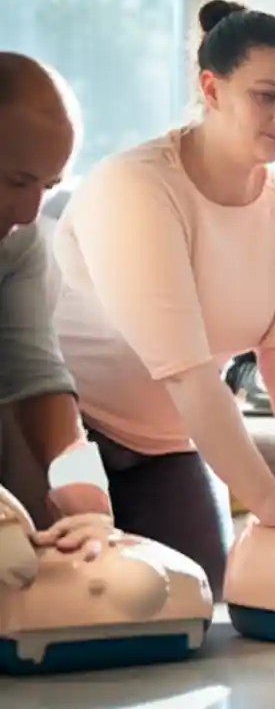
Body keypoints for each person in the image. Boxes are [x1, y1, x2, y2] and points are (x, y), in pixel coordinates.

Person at [48, 0, 275, 593]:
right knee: (86, 593)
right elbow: (185, 369)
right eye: (266, 96)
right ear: (211, 88)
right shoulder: (137, 186)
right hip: (67, 428)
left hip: (169, 444)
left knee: (203, 592)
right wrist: (266, 500)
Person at [0, 52, 115, 545]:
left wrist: (81, 478)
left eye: (48, 186)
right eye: (17, 182)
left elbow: (36, 373)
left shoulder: (19, 242)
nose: (29, 212)